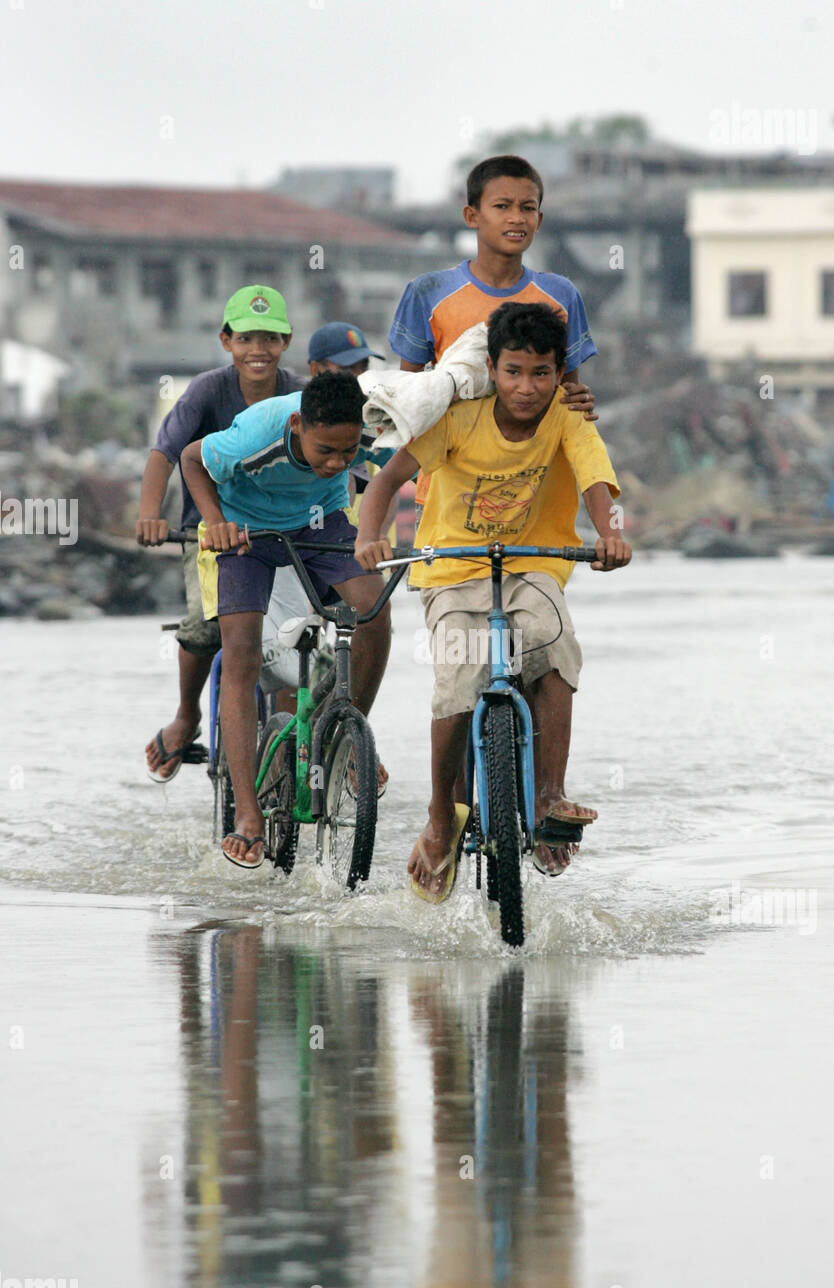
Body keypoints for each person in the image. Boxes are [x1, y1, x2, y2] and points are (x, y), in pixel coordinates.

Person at [355, 302, 631, 899]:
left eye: (541, 373)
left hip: (533, 567)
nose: (526, 387)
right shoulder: (458, 420)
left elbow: (596, 484)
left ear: (561, 373)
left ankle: (549, 797)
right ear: (494, 369)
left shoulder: (568, 419)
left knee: (555, 644)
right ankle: (437, 818)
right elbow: (384, 482)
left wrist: (610, 533)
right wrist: (370, 534)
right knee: (457, 680)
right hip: (451, 570)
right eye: (513, 372)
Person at [180, 372, 391, 869]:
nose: (338, 463)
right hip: (246, 535)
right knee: (242, 657)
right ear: (297, 425)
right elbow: (192, 459)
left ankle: (346, 741)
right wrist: (215, 523)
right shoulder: (257, 433)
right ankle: (248, 814)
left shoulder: (362, 430)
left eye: (347, 453)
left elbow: (398, 463)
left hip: (323, 523)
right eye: (326, 452)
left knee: (374, 613)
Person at [137, 284, 304, 781]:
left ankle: (339, 740)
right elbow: (164, 453)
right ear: (226, 340)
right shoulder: (208, 391)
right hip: (211, 531)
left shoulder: (298, 393)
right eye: (247, 338)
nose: (259, 350)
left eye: (270, 339)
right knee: (207, 627)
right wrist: (150, 512)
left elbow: (333, 452)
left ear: (287, 342)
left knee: (312, 633)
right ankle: (188, 715)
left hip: (281, 530)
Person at [389, 154, 599, 514]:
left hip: (531, 488)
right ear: (472, 215)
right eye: (502, 206)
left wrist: (579, 400)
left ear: (540, 219)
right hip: (447, 483)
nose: (516, 218)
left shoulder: (561, 295)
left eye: (527, 208)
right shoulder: (429, 292)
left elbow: (564, 391)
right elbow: (409, 396)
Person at [306, 322, 397, 531]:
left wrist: (375, 538)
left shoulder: (379, 415)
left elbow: (393, 477)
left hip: (370, 544)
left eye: (363, 365)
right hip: (320, 543)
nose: (359, 375)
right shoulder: (303, 421)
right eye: (347, 368)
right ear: (315, 369)